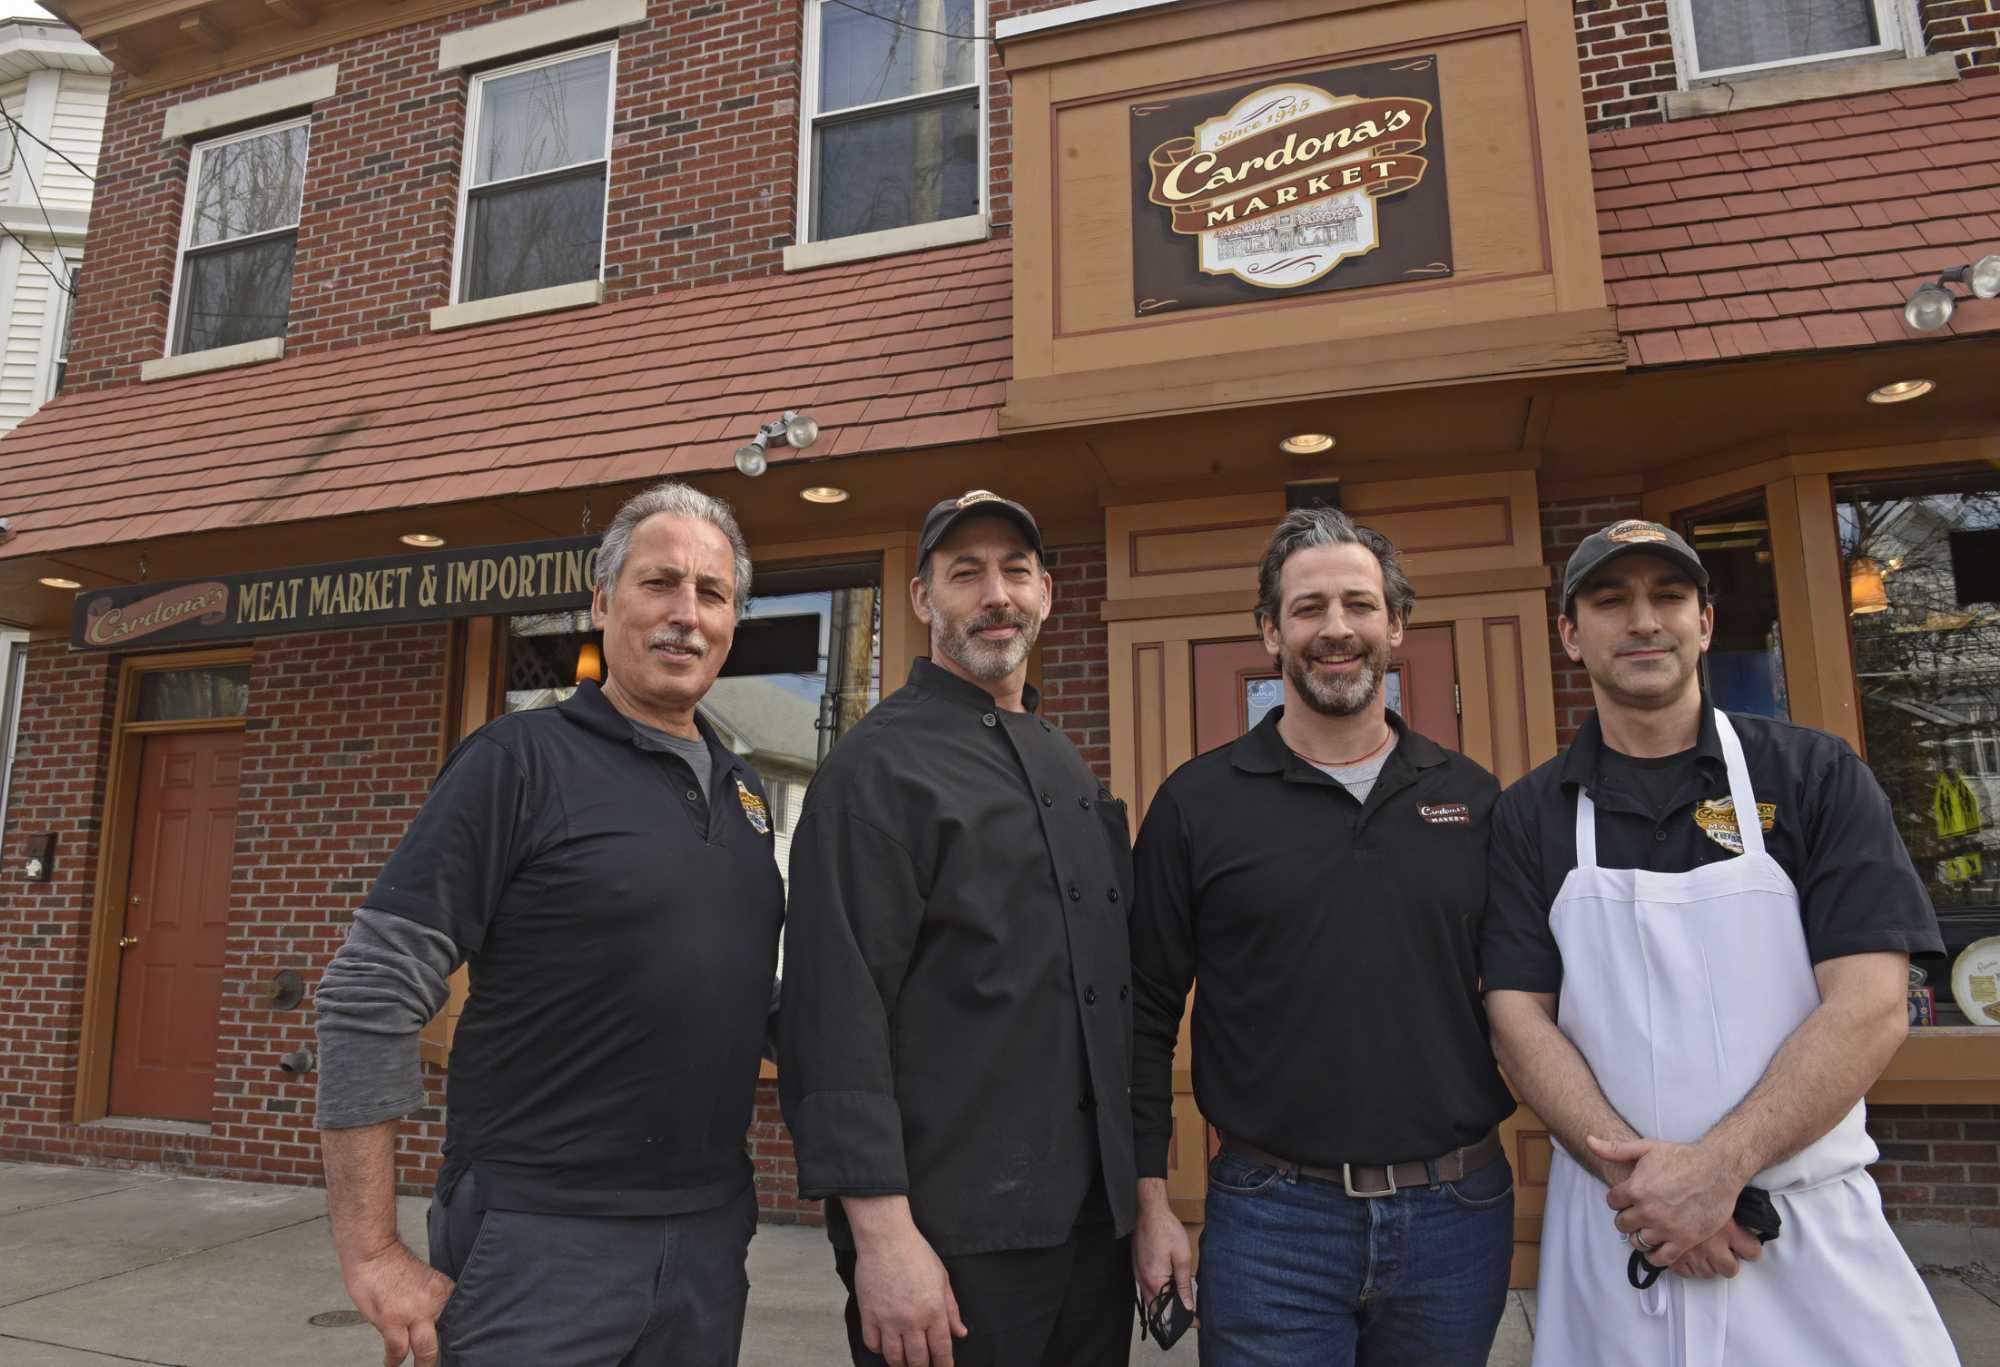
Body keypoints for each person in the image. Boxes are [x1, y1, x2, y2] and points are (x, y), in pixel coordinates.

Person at [315, 483, 783, 1367]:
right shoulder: (519, 760)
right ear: (603, 601)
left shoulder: (745, 791)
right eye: (660, 583)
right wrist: (371, 1250)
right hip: (537, 1246)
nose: (687, 614)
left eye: (712, 593)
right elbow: (369, 990)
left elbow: (732, 988)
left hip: (708, 1242)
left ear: (731, 622)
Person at [1480, 518, 1957, 1365]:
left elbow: (1872, 1004)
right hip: (1621, 1235)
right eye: (1610, 601)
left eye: (1668, 597)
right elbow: (1517, 1019)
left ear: (1703, 622)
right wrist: (1653, 1194)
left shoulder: (1815, 776)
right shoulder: (1530, 814)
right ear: (1570, 634)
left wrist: (1717, 1172)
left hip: (1802, 1230)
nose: (1643, 621)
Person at [1129, 506, 1516, 1366]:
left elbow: (1529, 1000)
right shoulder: (1197, 804)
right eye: (1308, 608)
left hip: (1457, 1218)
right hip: (1272, 1221)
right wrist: (1150, 1201)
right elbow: (1143, 1016)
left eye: (1359, 604)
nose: (1335, 628)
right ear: (1271, 632)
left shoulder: (1473, 799)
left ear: (1396, 623)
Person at [779, 490, 1136, 1367]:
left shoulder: (1066, 766)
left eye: (1015, 571)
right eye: (966, 572)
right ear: (922, 597)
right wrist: (883, 1238)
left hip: (1092, 1233)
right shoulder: (873, 769)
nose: (996, 594)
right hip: (949, 1245)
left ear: (1045, 592)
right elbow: (832, 1018)